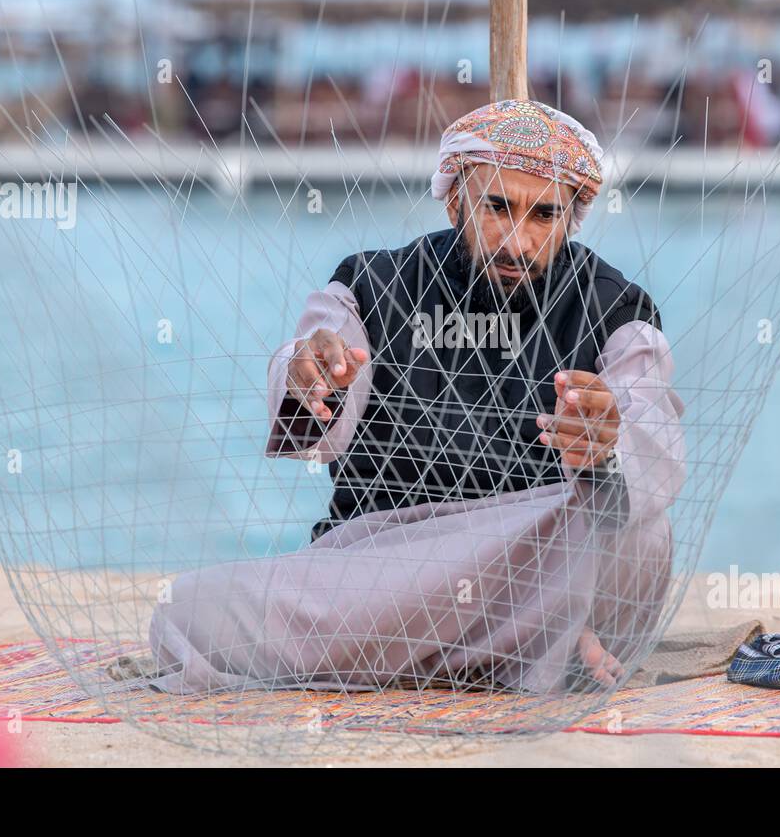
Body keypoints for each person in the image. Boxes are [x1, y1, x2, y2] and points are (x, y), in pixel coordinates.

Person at [148, 98, 687, 694]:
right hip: (386, 571)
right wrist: (309, 379)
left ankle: (518, 643)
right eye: (498, 207)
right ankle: (528, 653)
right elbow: (312, 416)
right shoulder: (369, 287)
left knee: (644, 528)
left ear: (573, 218)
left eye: (544, 216)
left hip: (542, 570)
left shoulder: (618, 311)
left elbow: (651, 427)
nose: (516, 241)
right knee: (190, 612)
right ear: (455, 199)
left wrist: (608, 445)